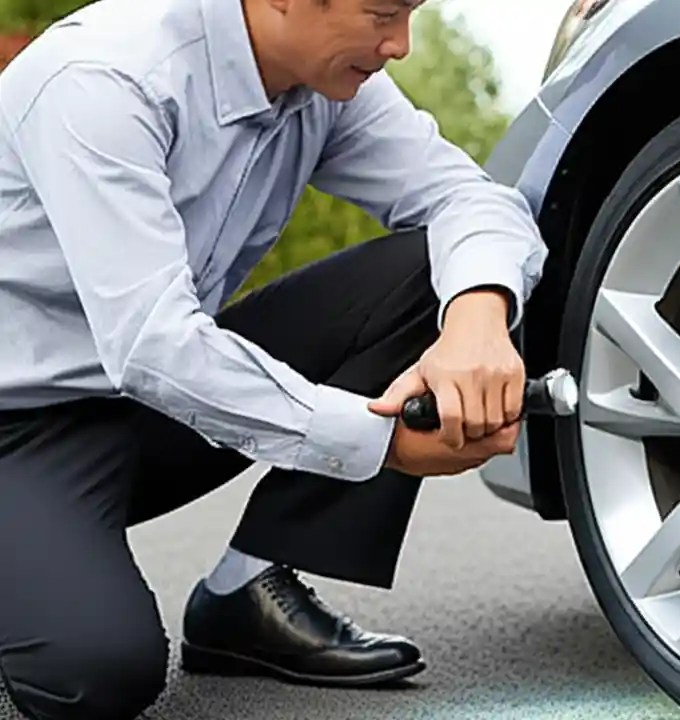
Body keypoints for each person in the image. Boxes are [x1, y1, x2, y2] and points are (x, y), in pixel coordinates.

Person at [0, 0, 549, 716]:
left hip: (142, 404)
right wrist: (376, 441)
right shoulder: (104, 79)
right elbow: (153, 343)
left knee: (443, 273)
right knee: (98, 667)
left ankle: (246, 592)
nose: (401, 45)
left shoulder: (320, 81)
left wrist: (477, 319)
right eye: (383, 13)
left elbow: (473, 202)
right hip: (20, 427)